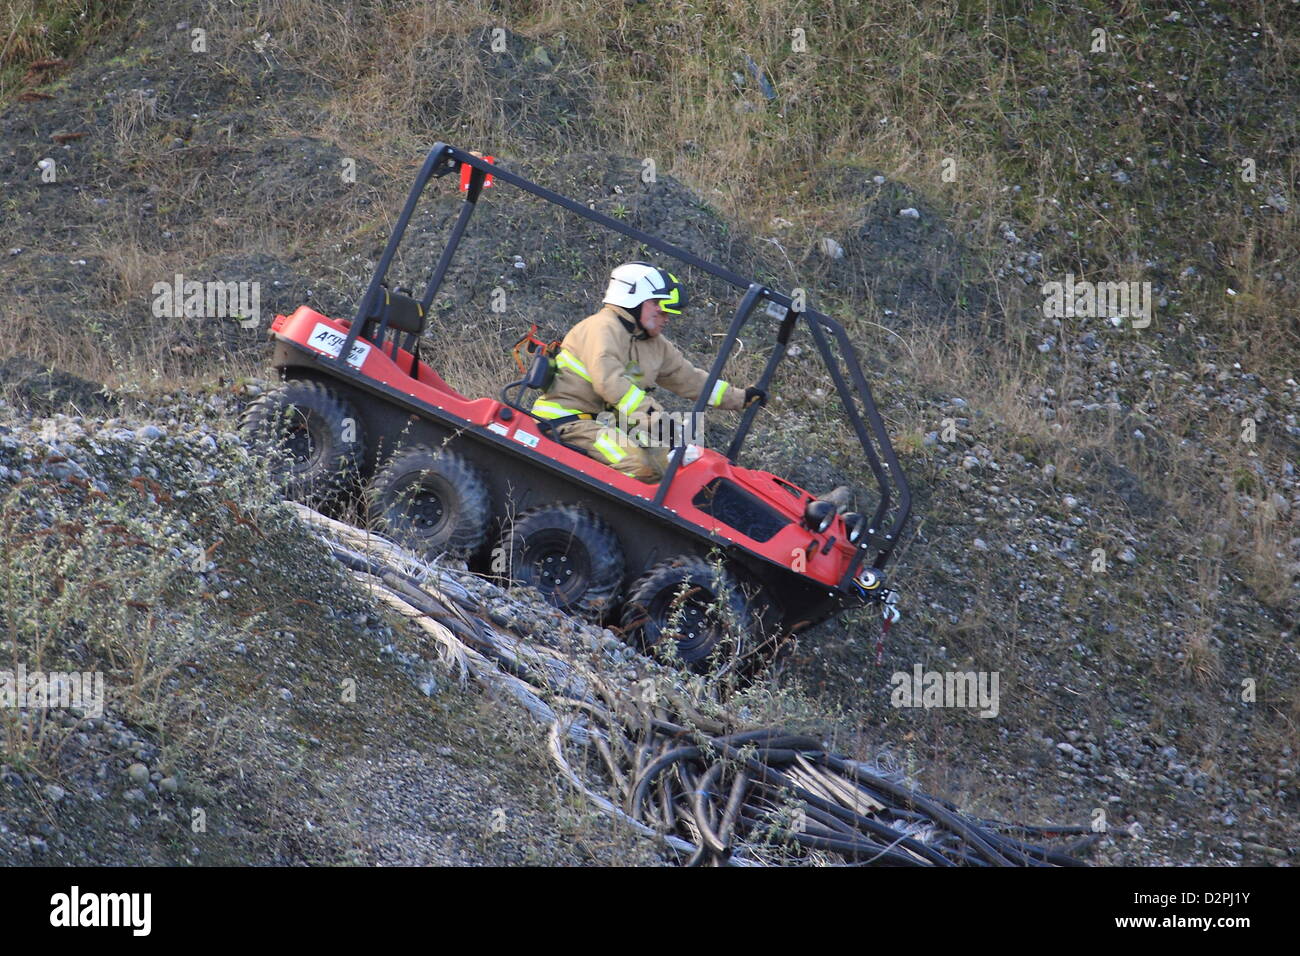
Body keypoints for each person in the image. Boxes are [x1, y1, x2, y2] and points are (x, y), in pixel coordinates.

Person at [531, 261, 766, 482]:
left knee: (667, 467)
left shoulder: (654, 343)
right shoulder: (601, 328)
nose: (667, 318)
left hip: (603, 423)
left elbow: (689, 379)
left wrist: (741, 398)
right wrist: (664, 427)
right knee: (638, 464)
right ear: (634, 299)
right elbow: (611, 385)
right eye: (660, 309)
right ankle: (592, 519)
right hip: (566, 421)